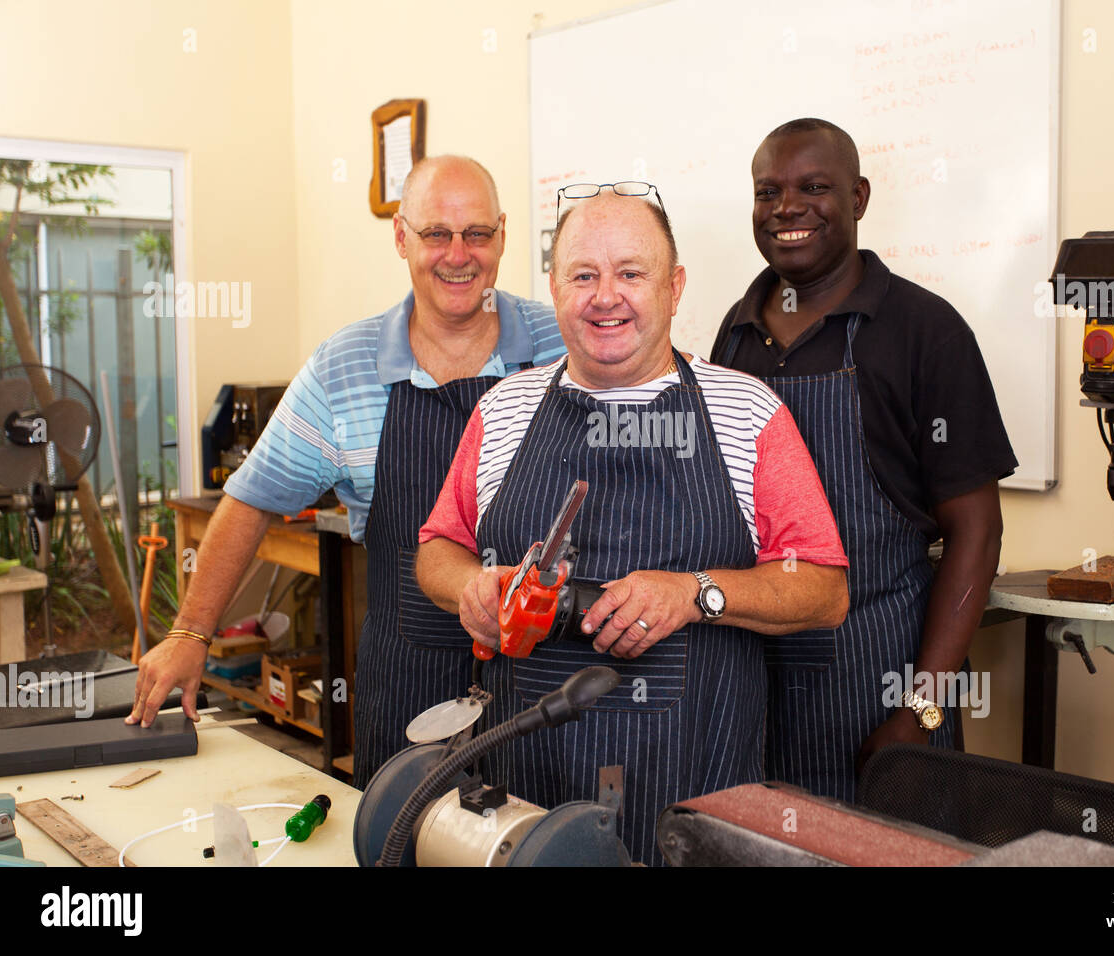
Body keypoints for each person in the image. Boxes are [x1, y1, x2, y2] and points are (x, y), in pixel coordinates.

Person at [416, 186, 849, 865]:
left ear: (674, 288)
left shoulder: (746, 411)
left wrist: (695, 593)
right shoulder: (503, 409)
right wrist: (469, 587)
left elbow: (824, 589)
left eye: (630, 273)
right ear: (554, 289)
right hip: (521, 790)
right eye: (583, 275)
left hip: (693, 785)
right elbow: (438, 547)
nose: (605, 296)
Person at [126, 156, 565, 789]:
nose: (458, 254)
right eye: (436, 234)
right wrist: (190, 633)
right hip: (408, 690)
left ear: (502, 234)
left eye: (476, 233)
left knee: (543, 836)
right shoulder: (345, 368)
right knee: (402, 834)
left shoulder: (564, 345)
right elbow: (251, 500)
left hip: (547, 685)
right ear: (401, 237)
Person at [711, 118, 1017, 803]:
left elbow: (977, 533)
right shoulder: (735, 333)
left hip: (881, 687)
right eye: (768, 192)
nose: (787, 208)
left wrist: (921, 710)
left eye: (813, 188)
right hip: (751, 687)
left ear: (859, 197)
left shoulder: (925, 330)